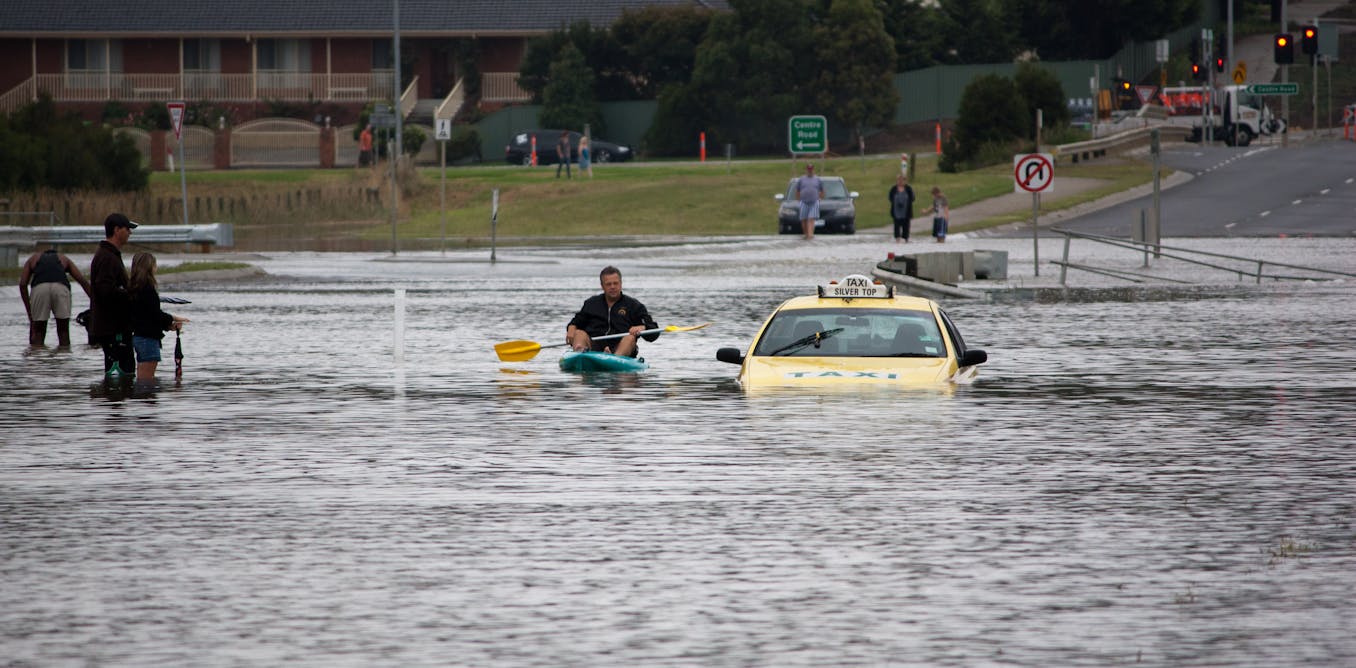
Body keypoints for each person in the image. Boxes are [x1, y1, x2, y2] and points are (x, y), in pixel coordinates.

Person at [566, 266, 658, 358]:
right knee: (579, 333)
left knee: (630, 338)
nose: (612, 287)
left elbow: (653, 332)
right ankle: (579, 355)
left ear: (621, 284)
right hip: (593, 347)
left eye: (615, 283)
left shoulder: (634, 306)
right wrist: (571, 327)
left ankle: (614, 358)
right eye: (608, 284)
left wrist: (643, 327)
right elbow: (576, 322)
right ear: (602, 286)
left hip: (621, 349)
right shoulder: (591, 303)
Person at [89, 213, 137, 377]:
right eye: (127, 229)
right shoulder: (107, 257)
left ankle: (114, 394)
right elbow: (105, 291)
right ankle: (114, 394)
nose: (130, 233)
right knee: (120, 375)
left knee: (124, 376)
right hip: (113, 329)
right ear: (117, 230)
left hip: (116, 328)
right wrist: (130, 293)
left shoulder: (110, 255)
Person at [128, 252, 188, 381]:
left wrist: (168, 326)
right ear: (150, 267)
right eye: (155, 265)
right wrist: (172, 319)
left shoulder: (135, 288)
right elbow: (155, 314)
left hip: (139, 337)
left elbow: (147, 316)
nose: (156, 268)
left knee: (143, 379)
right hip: (148, 340)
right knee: (147, 381)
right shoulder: (147, 289)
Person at [19, 247, 92, 346]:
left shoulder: (33, 259)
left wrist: (30, 312)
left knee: (38, 331)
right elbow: (82, 281)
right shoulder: (64, 258)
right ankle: (64, 354)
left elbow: (23, 284)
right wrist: (96, 303)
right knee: (63, 331)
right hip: (61, 288)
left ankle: (37, 355)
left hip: (40, 289)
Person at [793, 163, 824, 240]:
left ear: (813, 170)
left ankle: (810, 235)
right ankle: (806, 234)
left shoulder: (818, 179)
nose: (810, 171)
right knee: (804, 219)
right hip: (803, 202)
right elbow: (797, 190)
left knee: (811, 219)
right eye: (809, 169)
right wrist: (798, 200)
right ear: (806, 170)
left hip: (814, 202)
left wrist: (820, 198)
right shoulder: (801, 179)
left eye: (811, 169)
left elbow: (822, 190)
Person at [887, 174, 916, 244]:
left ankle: (906, 239)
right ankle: (897, 239)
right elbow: (890, 197)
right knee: (896, 225)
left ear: (905, 181)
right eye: (899, 180)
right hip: (896, 210)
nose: (900, 182)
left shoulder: (908, 188)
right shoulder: (893, 188)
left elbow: (912, 198)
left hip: (906, 210)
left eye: (902, 180)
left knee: (906, 225)